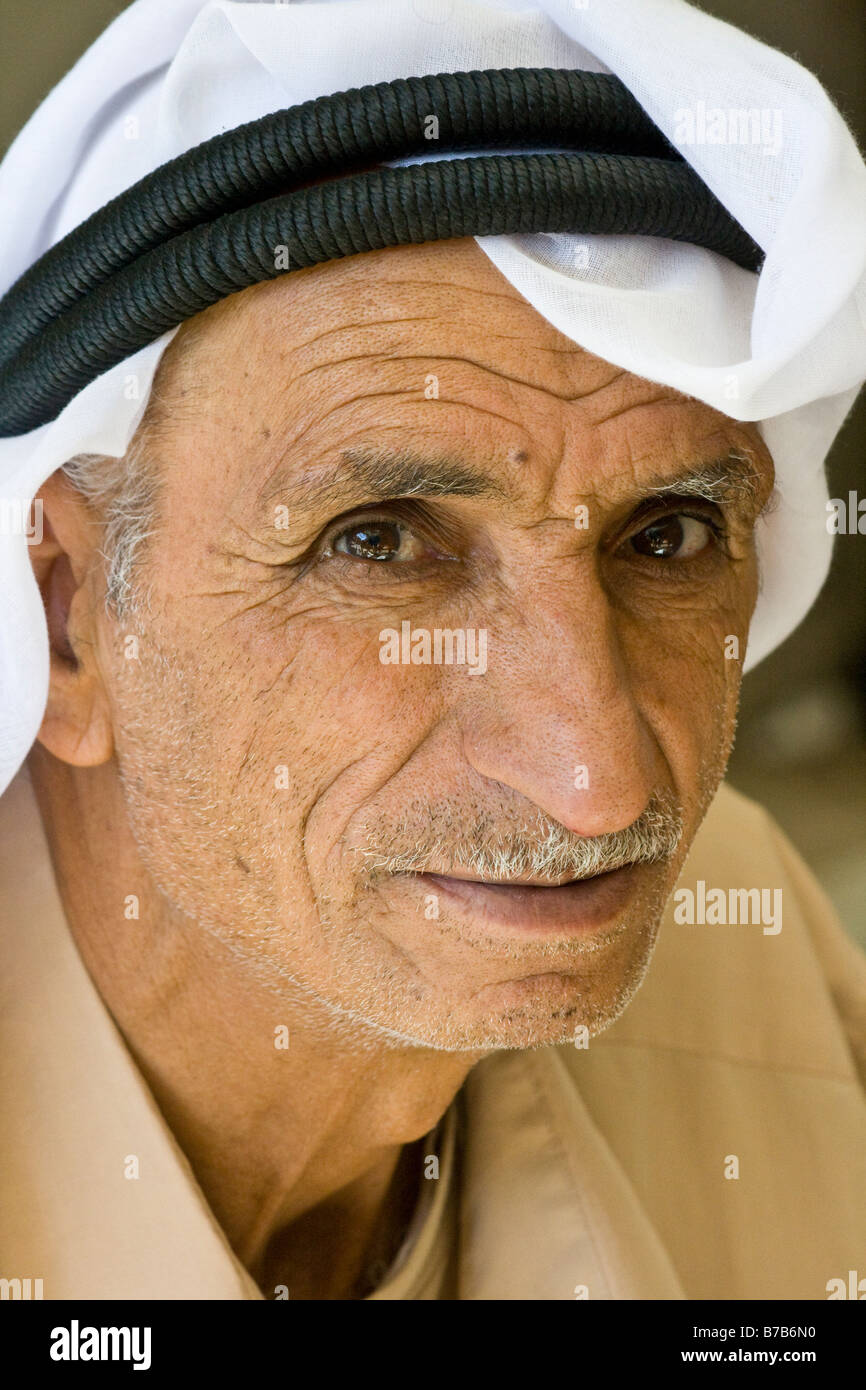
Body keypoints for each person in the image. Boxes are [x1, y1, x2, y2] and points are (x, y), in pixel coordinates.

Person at [0, 0, 864, 1301]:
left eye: (668, 535)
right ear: (70, 625)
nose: (599, 784)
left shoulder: (741, 944)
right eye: (380, 542)